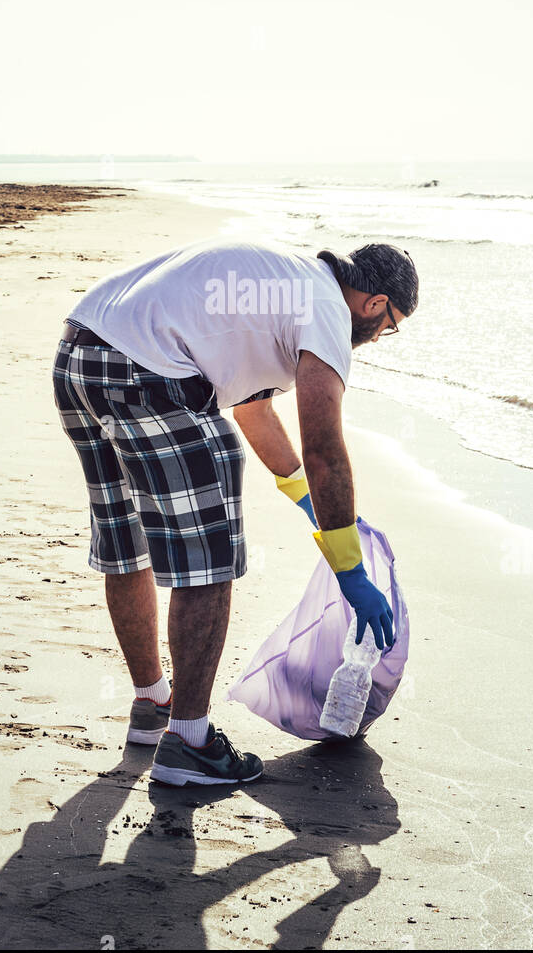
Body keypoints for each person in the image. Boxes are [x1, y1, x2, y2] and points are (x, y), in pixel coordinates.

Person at [52, 238, 419, 788]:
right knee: (209, 561)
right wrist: (349, 571)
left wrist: (308, 504)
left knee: (129, 539)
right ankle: (188, 743)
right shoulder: (326, 311)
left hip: (81, 357)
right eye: (390, 325)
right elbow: (324, 446)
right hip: (148, 372)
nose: (380, 336)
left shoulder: (289, 282)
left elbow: (254, 410)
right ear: (375, 302)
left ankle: (154, 706)